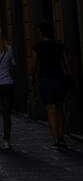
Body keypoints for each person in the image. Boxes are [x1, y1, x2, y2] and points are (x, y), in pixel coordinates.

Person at [29, 21, 73, 151]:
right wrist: (68, 78)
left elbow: (33, 66)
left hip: (46, 80)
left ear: (41, 33)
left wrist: (32, 78)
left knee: (50, 109)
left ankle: (56, 140)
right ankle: (61, 137)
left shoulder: (37, 47)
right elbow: (67, 66)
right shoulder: (59, 46)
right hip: (59, 79)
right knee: (59, 108)